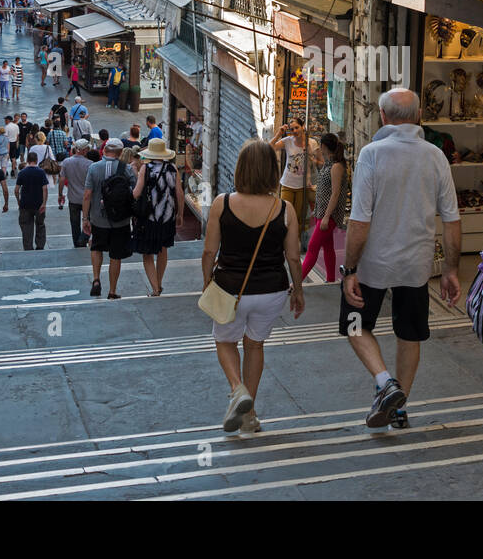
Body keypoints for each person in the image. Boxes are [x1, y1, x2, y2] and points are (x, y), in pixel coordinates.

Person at [339, 89, 461, 429]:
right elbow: (452, 218)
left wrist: (349, 269)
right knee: (409, 333)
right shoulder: (436, 156)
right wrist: (451, 269)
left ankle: (385, 383)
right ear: (419, 116)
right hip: (417, 265)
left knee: (355, 324)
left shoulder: (372, 154)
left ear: (382, 116)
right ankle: (399, 406)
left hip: (374, 264)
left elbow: (359, 220)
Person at [201, 139, 305, 433]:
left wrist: (206, 281)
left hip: (230, 288)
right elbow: (294, 257)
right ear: (272, 171)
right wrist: (298, 290)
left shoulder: (223, 203)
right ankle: (249, 415)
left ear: (241, 169)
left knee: (224, 341)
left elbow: (209, 252)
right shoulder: (285, 209)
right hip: (272, 289)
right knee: (255, 345)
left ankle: (238, 390)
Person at [81, 138, 134, 299]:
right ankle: (112, 290)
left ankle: (96, 279)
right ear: (120, 153)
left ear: (104, 151)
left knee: (96, 248)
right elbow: (135, 192)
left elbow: (87, 195)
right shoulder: (127, 169)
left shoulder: (94, 168)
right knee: (116, 255)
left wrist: (85, 218)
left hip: (98, 218)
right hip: (121, 220)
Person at [131, 138, 183, 297]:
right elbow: (179, 193)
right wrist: (180, 213)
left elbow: (137, 193)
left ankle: (155, 289)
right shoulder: (173, 168)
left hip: (149, 217)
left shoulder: (145, 168)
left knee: (147, 253)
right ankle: (159, 283)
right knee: (162, 249)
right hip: (167, 216)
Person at [301, 133, 347, 283]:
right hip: (322, 212)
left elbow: (335, 193)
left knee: (312, 248)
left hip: (329, 215)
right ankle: (331, 279)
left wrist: (327, 217)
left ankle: (296, 281)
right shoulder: (329, 164)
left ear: (324, 147)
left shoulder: (336, 167)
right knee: (328, 247)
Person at [270, 118, 316, 227]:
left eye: (297, 127)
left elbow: (318, 163)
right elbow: (269, 147)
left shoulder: (311, 143)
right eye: (292, 129)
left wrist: (310, 156)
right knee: (285, 216)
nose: (294, 131)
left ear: (302, 127)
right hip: (287, 184)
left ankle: (297, 241)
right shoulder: (287, 141)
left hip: (302, 186)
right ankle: (285, 242)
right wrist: (278, 134)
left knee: (298, 218)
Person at [58, 139, 93, 248]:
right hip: (86, 198)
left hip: (73, 198)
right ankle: (83, 239)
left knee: (74, 223)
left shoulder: (67, 162)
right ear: (84, 150)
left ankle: (77, 243)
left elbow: (62, 179)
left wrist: (60, 193)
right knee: (89, 220)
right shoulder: (90, 164)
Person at [15, 152, 49, 251]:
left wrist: (18, 201)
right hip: (39, 204)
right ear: (36, 160)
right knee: (40, 225)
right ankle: (40, 245)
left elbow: (16, 190)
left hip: (25, 204)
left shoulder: (22, 172)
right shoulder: (41, 172)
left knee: (26, 227)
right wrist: (44, 203)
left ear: (28, 160)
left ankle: (28, 247)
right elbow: (45, 189)